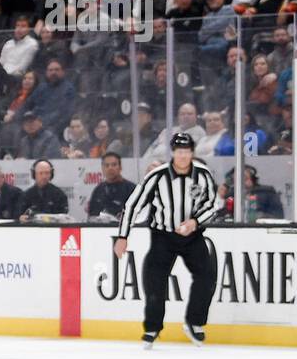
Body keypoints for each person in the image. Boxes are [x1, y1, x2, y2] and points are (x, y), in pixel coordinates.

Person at [114, 133, 218, 348]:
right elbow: (133, 205)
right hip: (163, 236)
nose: (182, 156)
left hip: (193, 236)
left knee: (206, 275)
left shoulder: (203, 174)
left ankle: (195, 322)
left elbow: (212, 204)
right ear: (173, 153)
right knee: (154, 280)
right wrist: (123, 236)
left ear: (192, 153)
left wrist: (194, 222)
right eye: (179, 152)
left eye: (186, 152)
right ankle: (152, 328)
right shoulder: (158, 176)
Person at [86, 152, 136, 220]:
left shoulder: (132, 189)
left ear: (120, 167)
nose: (110, 168)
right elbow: (92, 216)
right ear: (102, 168)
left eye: (114, 165)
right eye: (107, 165)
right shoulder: (98, 190)